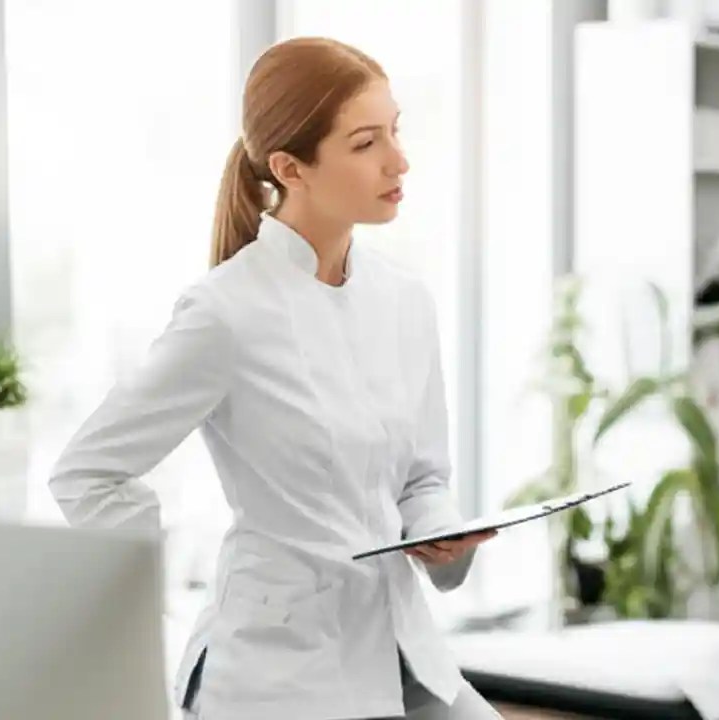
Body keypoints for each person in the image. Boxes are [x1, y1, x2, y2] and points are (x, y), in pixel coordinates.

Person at [49, 37, 501, 720]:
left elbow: (422, 480)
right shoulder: (226, 312)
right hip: (277, 677)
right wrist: (152, 589)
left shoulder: (406, 301)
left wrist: (441, 534)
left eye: (396, 132)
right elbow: (86, 472)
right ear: (291, 167)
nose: (399, 161)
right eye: (365, 143)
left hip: (400, 652)